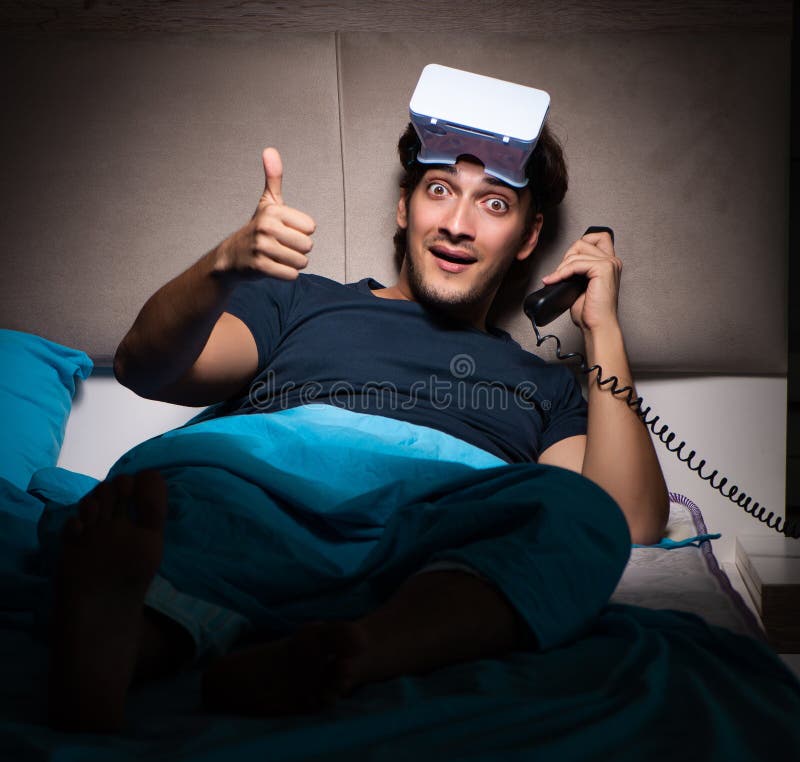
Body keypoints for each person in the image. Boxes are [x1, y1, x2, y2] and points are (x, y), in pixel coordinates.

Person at [48, 121, 669, 732]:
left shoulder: (546, 384)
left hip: (428, 527)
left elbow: (627, 518)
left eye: (495, 203)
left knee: (571, 515)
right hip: (272, 488)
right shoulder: (301, 300)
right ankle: (120, 642)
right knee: (202, 501)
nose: (457, 223)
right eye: (439, 190)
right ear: (404, 208)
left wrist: (601, 326)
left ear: (529, 238)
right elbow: (147, 368)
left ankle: (351, 651)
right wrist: (224, 265)